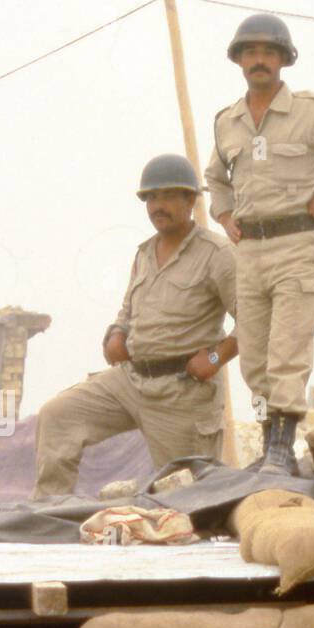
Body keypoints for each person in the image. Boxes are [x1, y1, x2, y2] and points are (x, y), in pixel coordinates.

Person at [204, 13, 314, 474]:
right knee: (254, 356)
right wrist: (224, 217)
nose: (259, 60)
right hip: (249, 250)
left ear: (283, 59)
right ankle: (267, 444)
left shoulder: (309, 112)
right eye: (250, 52)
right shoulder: (228, 122)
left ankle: (283, 447)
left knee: (287, 352)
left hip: (296, 243)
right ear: (239, 59)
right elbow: (215, 177)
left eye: (269, 52)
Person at [32, 154, 237, 498]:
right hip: (130, 380)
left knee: (186, 497)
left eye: (169, 196)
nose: (159, 205)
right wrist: (116, 334)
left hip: (182, 392)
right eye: (152, 198)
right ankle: (49, 512)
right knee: (58, 416)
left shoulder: (218, 253)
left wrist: (214, 361)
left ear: (190, 200)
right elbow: (127, 311)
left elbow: (254, 323)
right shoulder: (143, 253)